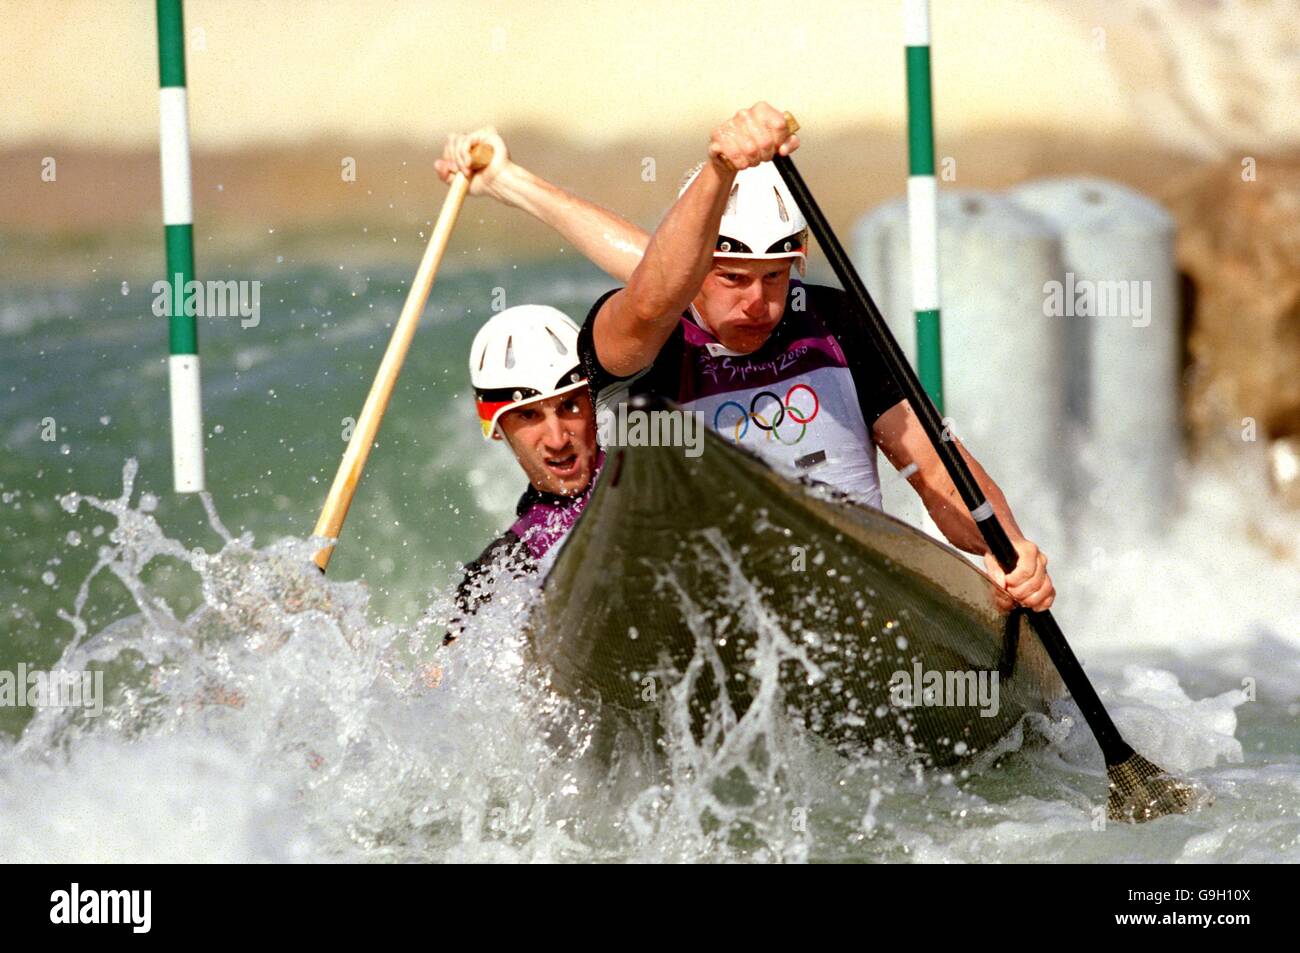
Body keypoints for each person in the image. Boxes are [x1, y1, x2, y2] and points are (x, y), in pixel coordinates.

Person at [436, 103, 1055, 613]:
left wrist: (1011, 551)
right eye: (731, 278)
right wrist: (718, 169)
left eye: (774, 278)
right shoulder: (645, 340)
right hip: (713, 617)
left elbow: (935, 467)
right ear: (698, 267)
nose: (755, 304)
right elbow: (654, 292)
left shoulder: (836, 321)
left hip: (857, 599)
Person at [445, 304, 602, 643]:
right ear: (498, 427)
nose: (558, 439)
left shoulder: (648, 461)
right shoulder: (501, 570)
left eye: (570, 406)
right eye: (529, 416)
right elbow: (436, 684)